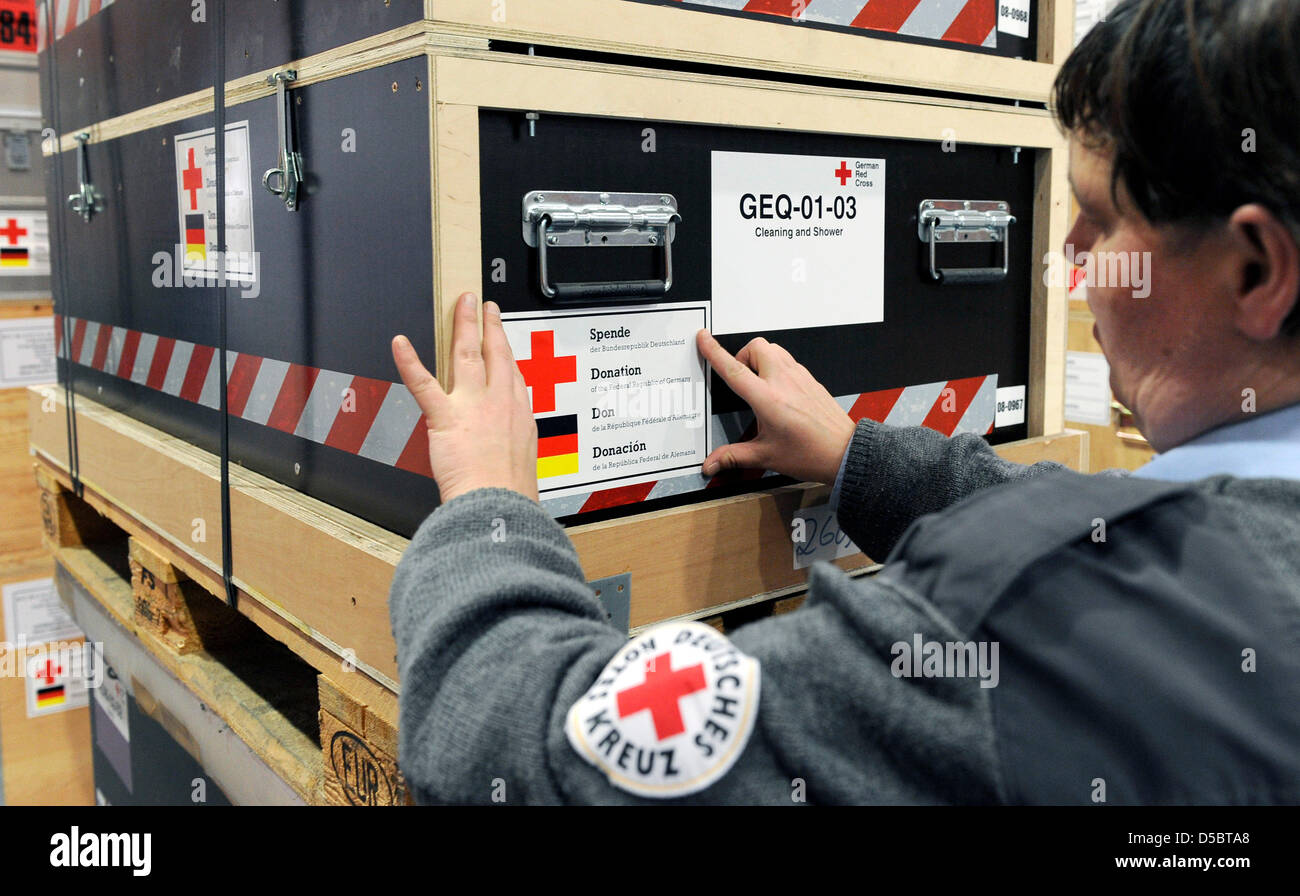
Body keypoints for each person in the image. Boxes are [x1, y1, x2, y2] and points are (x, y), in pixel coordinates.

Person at [387, 0, 1300, 804]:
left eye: (1100, 222)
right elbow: (1101, 539)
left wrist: (486, 506)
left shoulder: (1028, 636)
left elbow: (507, 749)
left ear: (1256, 270)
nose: (1066, 260)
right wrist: (860, 456)